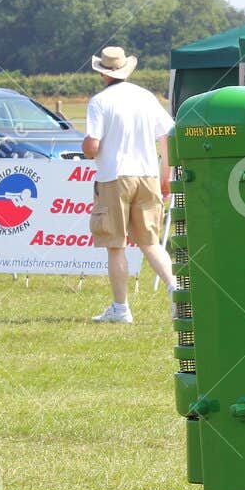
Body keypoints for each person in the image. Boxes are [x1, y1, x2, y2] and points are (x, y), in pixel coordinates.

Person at [82, 46, 176, 323]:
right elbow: (167, 136)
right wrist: (166, 174)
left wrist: (86, 146)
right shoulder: (146, 97)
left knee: (115, 245)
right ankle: (176, 290)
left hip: (114, 177)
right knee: (151, 242)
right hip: (147, 175)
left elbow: (92, 147)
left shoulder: (99, 102)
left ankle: (121, 308)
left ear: (102, 73)